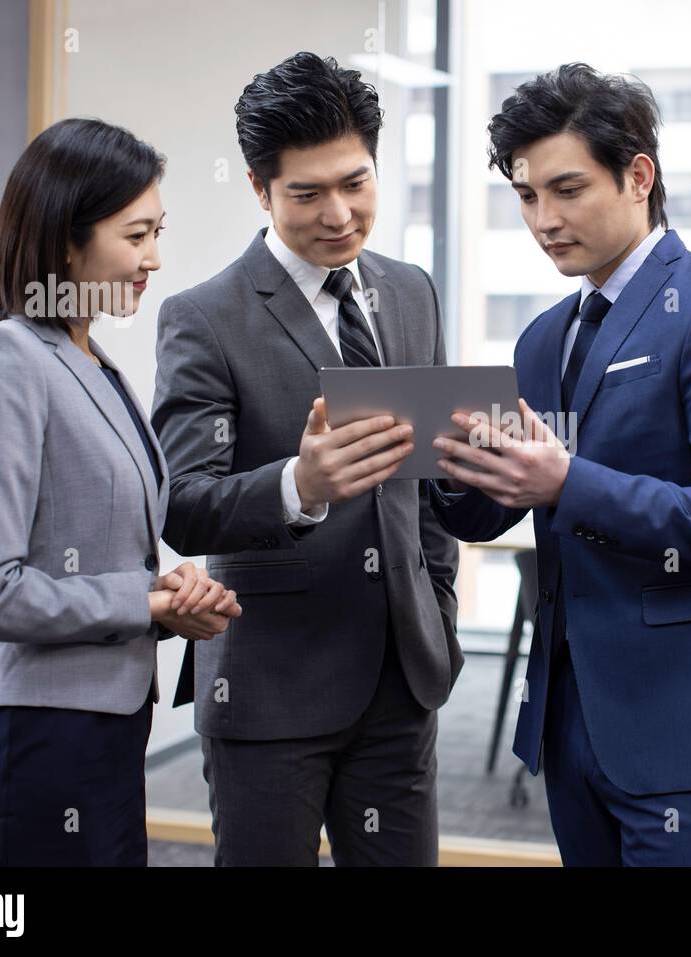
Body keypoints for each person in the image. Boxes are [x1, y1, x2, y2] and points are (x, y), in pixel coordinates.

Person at [430, 63, 691, 866]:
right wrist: (440, 464)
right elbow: (492, 508)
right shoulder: (542, 338)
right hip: (574, 718)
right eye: (528, 196)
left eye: (568, 190)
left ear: (639, 176)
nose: (543, 219)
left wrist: (567, 480)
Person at [151, 52, 460, 867]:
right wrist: (300, 485)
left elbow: (422, 489)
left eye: (355, 183)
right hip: (269, 686)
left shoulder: (412, 290)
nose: (340, 213)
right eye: (307, 193)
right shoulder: (204, 318)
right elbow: (181, 502)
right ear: (260, 188)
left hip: (402, 680)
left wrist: (441, 613)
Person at [0, 118, 241, 867]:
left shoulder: (94, 361)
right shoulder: (5, 361)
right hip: (37, 738)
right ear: (67, 240)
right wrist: (143, 602)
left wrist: (164, 590)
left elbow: (99, 550)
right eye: (136, 235)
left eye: (157, 232)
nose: (154, 258)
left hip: (105, 731)